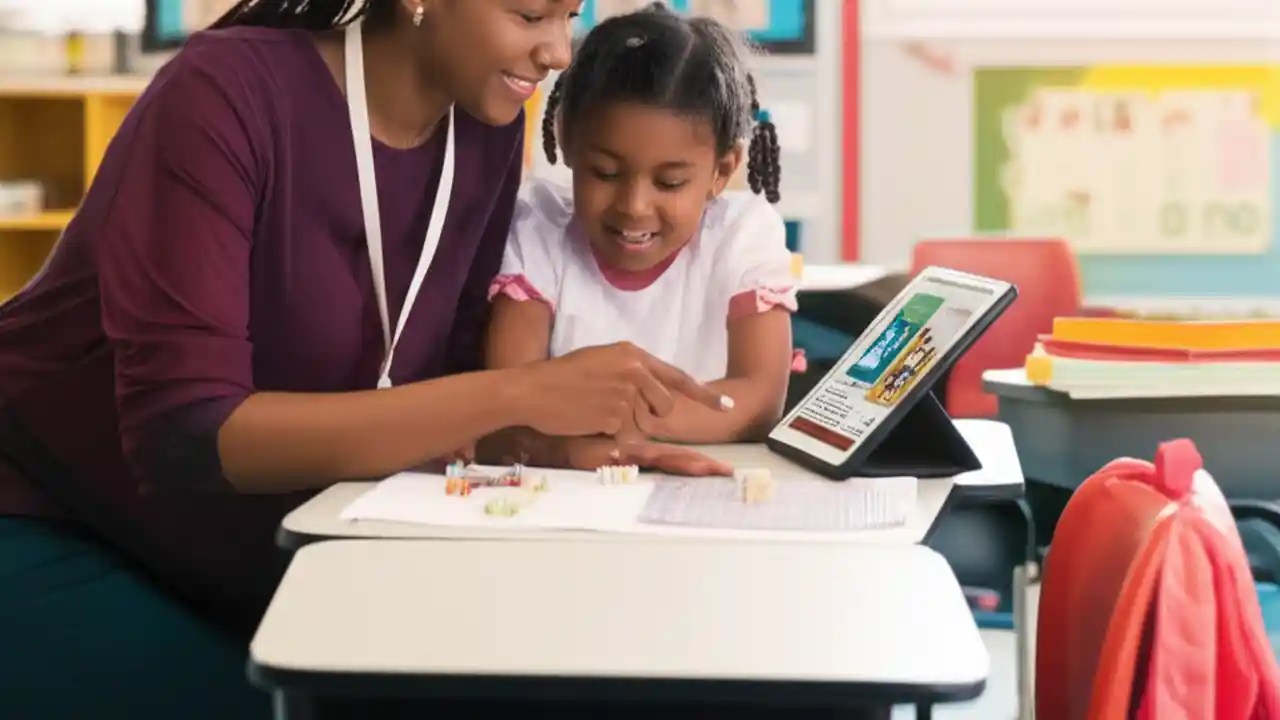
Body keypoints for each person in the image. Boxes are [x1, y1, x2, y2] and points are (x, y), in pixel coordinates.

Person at [0, 0, 733, 716]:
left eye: (569, 17)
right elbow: (186, 432)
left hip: (268, 553)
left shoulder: (483, 129)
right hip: (53, 518)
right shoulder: (224, 93)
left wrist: (554, 446)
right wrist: (518, 395)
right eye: (529, 15)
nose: (560, 51)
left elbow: (441, 391)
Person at [485, 4, 797, 456]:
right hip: (565, 490)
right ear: (567, 139)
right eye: (605, 172)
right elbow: (509, 393)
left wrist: (608, 424)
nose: (633, 207)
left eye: (669, 183)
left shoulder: (741, 235)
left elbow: (759, 398)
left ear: (721, 170)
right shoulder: (539, 229)